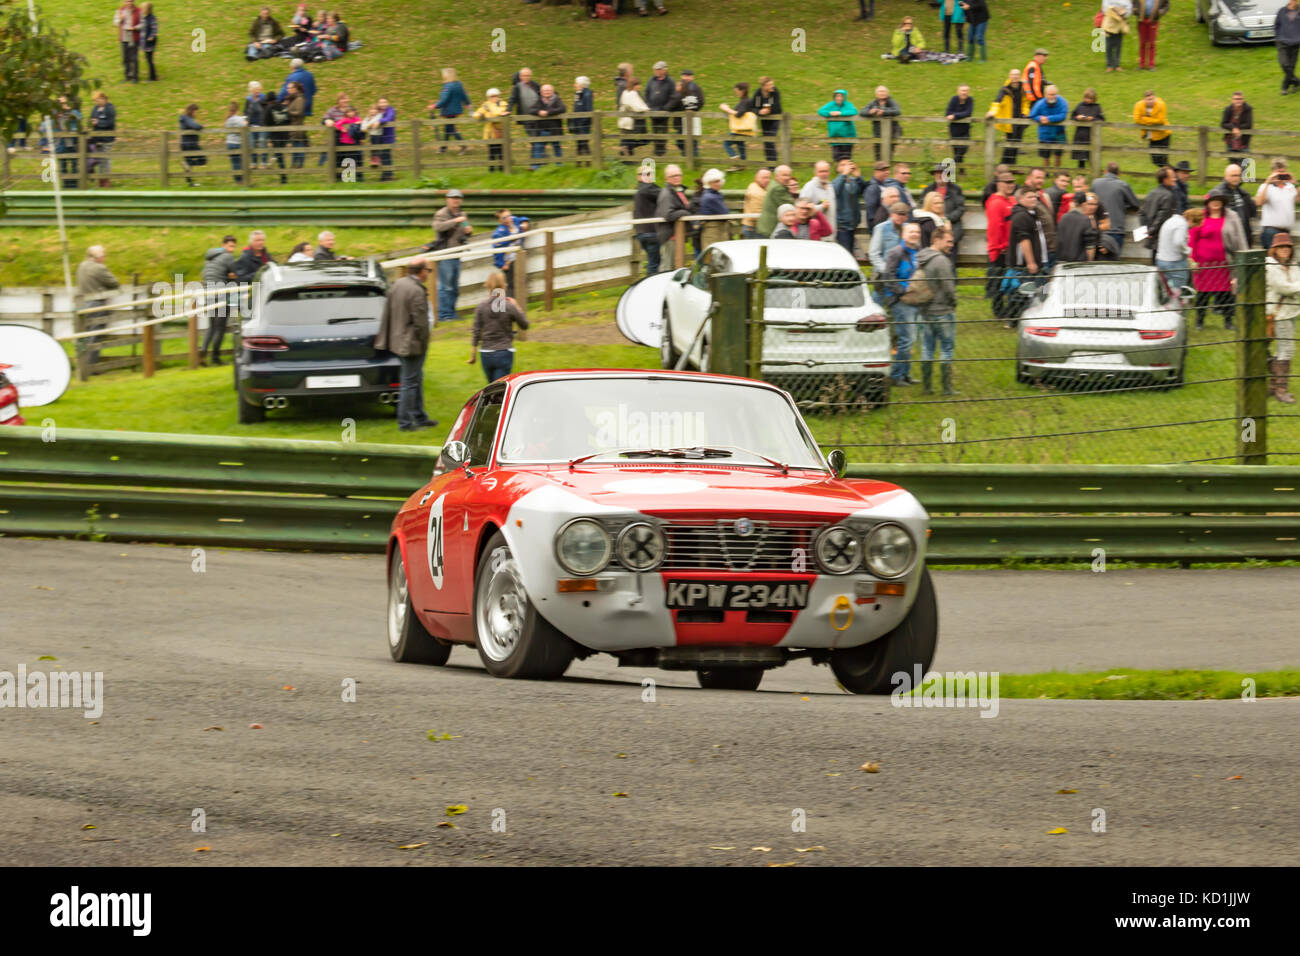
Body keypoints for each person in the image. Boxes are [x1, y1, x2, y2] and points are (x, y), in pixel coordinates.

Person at [375, 257, 436, 432]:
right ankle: (405, 423)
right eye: (428, 270)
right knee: (410, 382)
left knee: (415, 379)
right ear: (422, 271)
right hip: (411, 344)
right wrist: (423, 340)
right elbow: (421, 323)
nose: (429, 274)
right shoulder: (415, 290)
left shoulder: (398, 284)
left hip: (399, 341)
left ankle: (419, 416)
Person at [1190, 194, 1245, 330]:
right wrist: (1193, 260)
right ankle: (1199, 321)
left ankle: (1228, 322)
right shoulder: (1201, 217)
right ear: (1207, 203)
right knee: (1203, 294)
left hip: (1224, 264)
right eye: (1212, 201)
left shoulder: (1229, 217)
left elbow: (1238, 237)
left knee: (1227, 294)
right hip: (1204, 265)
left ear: (1222, 203)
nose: (1215, 203)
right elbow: (1192, 240)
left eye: (1218, 201)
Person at [916, 226, 959, 395]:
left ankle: (927, 388)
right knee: (947, 348)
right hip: (942, 311)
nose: (951, 245)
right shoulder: (941, 261)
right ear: (937, 240)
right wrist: (954, 302)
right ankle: (947, 388)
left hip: (925, 311)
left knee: (927, 348)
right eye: (948, 241)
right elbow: (949, 288)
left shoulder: (922, 257)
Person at [470, 271, 530, 383]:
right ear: (503, 286)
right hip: (504, 352)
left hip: (486, 354)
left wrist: (473, 355)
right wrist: (517, 306)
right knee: (500, 390)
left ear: (488, 286)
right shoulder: (509, 306)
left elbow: (476, 331)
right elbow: (525, 325)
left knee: (492, 388)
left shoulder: (481, 307)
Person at [884, 222, 923, 385]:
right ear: (903, 235)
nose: (914, 234)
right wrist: (902, 291)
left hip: (914, 300)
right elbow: (888, 275)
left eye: (917, 232)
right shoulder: (896, 252)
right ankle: (896, 375)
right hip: (900, 300)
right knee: (906, 338)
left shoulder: (919, 252)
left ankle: (905, 374)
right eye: (911, 232)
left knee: (910, 338)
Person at [1265, 232, 1299, 403]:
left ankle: (1273, 385)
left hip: (1291, 311)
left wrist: (1294, 287)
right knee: (1287, 350)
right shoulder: (1270, 266)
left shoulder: (1292, 265)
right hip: (1278, 314)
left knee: (1283, 349)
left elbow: (1293, 285)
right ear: (1274, 249)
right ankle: (1281, 389)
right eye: (1281, 247)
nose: (1285, 250)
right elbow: (1284, 288)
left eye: (1287, 247)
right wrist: (1295, 287)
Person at [431, 189, 473, 322]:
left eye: (458, 198)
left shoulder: (462, 214)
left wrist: (468, 232)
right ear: (447, 199)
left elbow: (463, 233)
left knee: (454, 286)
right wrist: (455, 221)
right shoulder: (441, 213)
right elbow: (438, 227)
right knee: (445, 286)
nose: (456, 200)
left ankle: (452, 313)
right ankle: (444, 315)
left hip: (457, 254)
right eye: (453, 198)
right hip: (445, 254)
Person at [76, 244, 121, 366]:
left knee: (84, 335)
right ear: (98, 257)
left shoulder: (81, 266)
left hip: (82, 304)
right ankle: (91, 365)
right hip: (97, 305)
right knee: (95, 335)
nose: (104, 258)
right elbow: (114, 283)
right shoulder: (99, 268)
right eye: (103, 255)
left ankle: (81, 363)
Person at [201, 234, 240, 363]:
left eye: (234, 247)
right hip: (221, 292)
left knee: (211, 326)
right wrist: (231, 277)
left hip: (208, 291)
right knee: (220, 327)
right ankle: (215, 358)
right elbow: (235, 275)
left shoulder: (209, 257)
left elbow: (206, 274)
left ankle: (202, 353)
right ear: (223, 245)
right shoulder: (228, 257)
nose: (232, 249)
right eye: (230, 246)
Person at [1091, 162, 1140, 253]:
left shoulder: (1095, 183)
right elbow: (1135, 205)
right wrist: (1122, 205)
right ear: (1118, 174)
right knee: (1114, 263)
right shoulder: (1123, 185)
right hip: (1116, 231)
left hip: (1098, 230)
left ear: (1105, 171)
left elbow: (1090, 200)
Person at [985, 172, 1017, 300]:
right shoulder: (996, 203)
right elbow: (995, 228)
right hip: (1001, 251)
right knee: (998, 283)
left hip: (1011, 248)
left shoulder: (1012, 200)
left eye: (1012, 182)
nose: (1011, 185)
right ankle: (998, 312)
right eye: (1007, 182)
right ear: (999, 184)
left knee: (1008, 280)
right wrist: (1000, 248)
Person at [868, 201, 910, 297]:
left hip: (902, 275)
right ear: (891, 214)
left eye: (904, 214)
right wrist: (886, 271)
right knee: (877, 302)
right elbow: (873, 254)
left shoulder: (908, 228)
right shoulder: (881, 228)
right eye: (899, 214)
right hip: (883, 275)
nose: (902, 217)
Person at [987, 70, 1028, 166]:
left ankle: (1012, 167)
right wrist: (992, 112)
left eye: (1017, 75)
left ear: (1020, 76)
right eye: (1013, 75)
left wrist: (1025, 112)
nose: (1015, 77)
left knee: (1017, 144)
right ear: (1010, 76)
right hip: (1009, 120)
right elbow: (997, 102)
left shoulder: (1023, 87)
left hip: (1020, 120)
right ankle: (1003, 166)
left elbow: (1026, 101)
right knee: (1009, 144)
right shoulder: (1005, 90)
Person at [920, 163, 965, 249]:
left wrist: (946, 218)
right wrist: (934, 218)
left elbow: (961, 208)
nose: (939, 175)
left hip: (952, 229)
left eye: (942, 173)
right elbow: (922, 205)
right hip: (931, 229)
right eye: (937, 173)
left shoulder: (956, 190)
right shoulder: (928, 189)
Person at [655, 165, 691, 269]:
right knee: (667, 268)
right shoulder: (666, 193)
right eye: (673, 176)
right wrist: (684, 212)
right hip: (670, 237)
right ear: (667, 178)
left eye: (679, 175)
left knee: (676, 267)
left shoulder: (677, 191)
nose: (677, 177)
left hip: (677, 236)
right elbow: (667, 214)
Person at [1140, 165, 1178, 263]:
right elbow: (1162, 216)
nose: (1175, 179)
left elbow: (1141, 213)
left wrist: (1146, 230)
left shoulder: (1151, 193)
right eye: (1173, 176)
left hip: (1153, 241)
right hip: (1164, 241)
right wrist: (1151, 231)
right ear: (1165, 179)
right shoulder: (1169, 196)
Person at [1257, 160, 1297, 250]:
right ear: (1272, 172)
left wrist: (1295, 183)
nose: (1281, 175)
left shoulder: (1290, 186)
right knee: (1271, 260)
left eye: (1283, 172)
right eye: (1278, 172)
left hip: (1286, 231)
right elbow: (1259, 202)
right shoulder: (1265, 187)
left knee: (1285, 260)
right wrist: (1268, 182)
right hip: (1271, 231)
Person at [832, 158, 868, 256]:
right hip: (842, 227)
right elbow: (834, 191)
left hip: (853, 225)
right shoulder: (835, 182)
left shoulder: (853, 181)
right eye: (842, 165)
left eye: (848, 164)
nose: (846, 167)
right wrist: (844, 174)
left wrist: (858, 176)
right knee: (845, 255)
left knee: (851, 254)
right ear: (837, 169)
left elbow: (864, 190)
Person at [1217, 163, 1257, 248]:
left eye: (1238, 175)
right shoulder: (1218, 194)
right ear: (1225, 176)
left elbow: (1253, 212)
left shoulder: (1243, 194)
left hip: (1244, 236)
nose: (1236, 178)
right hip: (1227, 239)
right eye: (1233, 175)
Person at [1154, 203, 1190, 296]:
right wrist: (1187, 250)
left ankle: (1166, 307)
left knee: (1165, 290)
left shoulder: (1170, 221)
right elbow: (1178, 242)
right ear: (1191, 220)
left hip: (1161, 260)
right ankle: (1177, 308)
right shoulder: (1182, 224)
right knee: (1178, 290)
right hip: (1175, 262)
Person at [433, 68, 471, 153]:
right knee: (448, 129)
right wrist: (468, 104)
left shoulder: (447, 86)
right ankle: (443, 148)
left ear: (446, 75)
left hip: (448, 111)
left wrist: (435, 106)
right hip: (456, 111)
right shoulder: (459, 84)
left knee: (451, 129)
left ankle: (463, 146)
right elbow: (464, 96)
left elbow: (444, 100)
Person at [632, 163, 662, 274]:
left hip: (640, 233)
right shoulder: (649, 188)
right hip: (651, 232)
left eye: (650, 174)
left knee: (652, 261)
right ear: (639, 176)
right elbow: (665, 195)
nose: (648, 176)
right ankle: (650, 286)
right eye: (645, 174)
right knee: (654, 264)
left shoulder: (638, 190)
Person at [491, 208, 530, 291]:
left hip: (520, 256)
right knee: (512, 284)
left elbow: (523, 218)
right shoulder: (498, 233)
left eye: (509, 216)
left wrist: (524, 223)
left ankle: (521, 302)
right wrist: (501, 264)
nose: (508, 219)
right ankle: (512, 302)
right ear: (499, 221)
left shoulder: (514, 220)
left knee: (522, 280)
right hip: (509, 262)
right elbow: (496, 251)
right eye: (504, 218)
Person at [1029, 84, 1068, 168]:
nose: (1052, 96)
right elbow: (1032, 115)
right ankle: (1046, 173)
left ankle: (1056, 173)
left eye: (1054, 94)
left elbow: (1063, 115)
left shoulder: (1062, 102)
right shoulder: (1040, 103)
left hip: (1059, 132)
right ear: (1045, 94)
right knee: (1045, 156)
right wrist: (1040, 118)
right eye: (1050, 94)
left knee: (1058, 155)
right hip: (1045, 134)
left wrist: (1049, 118)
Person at [861, 86, 902, 163]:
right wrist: (870, 112)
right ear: (876, 94)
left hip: (892, 130)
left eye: (884, 91)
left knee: (889, 149)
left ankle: (887, 167)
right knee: (877, 150)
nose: (882, 93)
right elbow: (862, 112)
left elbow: (897, 111)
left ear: (887, 93)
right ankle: (878, 168)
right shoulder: (873, 102)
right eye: (880, 91)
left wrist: (884, 112)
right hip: (877, 131)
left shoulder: (892, 101)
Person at [529, 83, 565, 168]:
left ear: (552, 91)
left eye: (549, 90)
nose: (547, 92)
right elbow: (531, 110)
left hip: (555, 130)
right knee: (538, 148)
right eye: (545, 90)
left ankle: (559, 166)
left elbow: (562, 108)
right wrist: (539, 112)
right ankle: (535, 167)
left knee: (557, 148)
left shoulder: (557, 99)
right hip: (542, 129)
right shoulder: (539, 100)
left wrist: (548, 112)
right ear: (541, 92)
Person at [1057, 193, 1101, 263]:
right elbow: (1090, 246)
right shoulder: (1086, 220)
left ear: (1074, 203)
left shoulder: (1063, 218)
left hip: (1062, 262)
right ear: (1084, 204)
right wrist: (1090, 262)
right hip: (1079, 264)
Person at [757, 165, 799, 237]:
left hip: (765, 227)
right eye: (784, 175)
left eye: (789, 175)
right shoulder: (778, 189)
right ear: (776, 176)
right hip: (770, 228)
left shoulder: (774, 183)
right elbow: (791, 207)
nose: (787, 178)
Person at [720, 82, 756, 165]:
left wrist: (726, 109)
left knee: (726, 143)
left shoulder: (745, 101)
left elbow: (739, 114)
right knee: (740, 144)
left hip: (740, 129)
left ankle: (736, 159)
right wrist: (727, 109)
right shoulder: (745, 101)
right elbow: (736, 112)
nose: (736, 93)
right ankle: (743, 164)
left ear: (742, 90)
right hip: (743, 129)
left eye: (737, 91)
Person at [818, 90, 858, 163]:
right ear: (834, 97)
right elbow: (820, 111)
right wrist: (829, 113)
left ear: (844, 97)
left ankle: (847, 173)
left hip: (847, 137)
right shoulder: (831, 105)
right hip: (834, 137)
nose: (839, 98)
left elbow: (854, 111)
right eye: (837, 96)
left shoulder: (848, 105)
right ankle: (837, 173)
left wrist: (841, 113)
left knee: (847, 158)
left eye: (841, 96)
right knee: (836, 157)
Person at [644, 61, 674, 158]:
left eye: (658, 69)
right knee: (655, 130)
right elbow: (646, 93)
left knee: (664, 131)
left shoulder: (670, 81)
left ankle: (663, 149)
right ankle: (656, 150)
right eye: (655, 69)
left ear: (664, 70)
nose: (656, 71)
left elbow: (672, 96)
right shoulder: (651, 80)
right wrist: (648, 105)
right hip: (653, 111)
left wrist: (666, 108)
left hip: (664, 112)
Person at [474, 88, 508, 173]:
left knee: (501, 151)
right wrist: (480, 114)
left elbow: (499, 112)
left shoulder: (503, 104)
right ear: (488, 97)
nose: (493, 98)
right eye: (491, 96)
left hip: (500, 132)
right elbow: (477, 114)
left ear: (498, 96)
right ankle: (491, 170)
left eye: (495, 96)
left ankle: (502, 169)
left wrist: (488, 112)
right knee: (492, 152)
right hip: (490, 132)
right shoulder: (485, 104)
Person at [87, 91, 116, 188]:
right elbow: (91, 119)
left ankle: (106, 180)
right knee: (99, 160)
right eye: (95, 101)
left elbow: (110, 122)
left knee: (106, 159)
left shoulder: (110, 108)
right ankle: (100, 181)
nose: (97, 102)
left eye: (98, 100)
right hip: (97, 139)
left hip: (107, 139)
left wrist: (98, 122)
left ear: (103, 99)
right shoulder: (95, 108)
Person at [1133, 89, 1170, 167]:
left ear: (1155, 98)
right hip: (1152, 137)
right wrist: (1152, 121)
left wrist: (1144, 119)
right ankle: (1173, 174)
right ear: (1144, 100)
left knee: (1162, 160)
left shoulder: (1161, 105)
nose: (1151, 101)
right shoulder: (1139, 105)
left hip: (1163, 135)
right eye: (1148, 99)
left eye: (1152, 99)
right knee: (1155, 160)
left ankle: (1172, 175)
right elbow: (1136, 119)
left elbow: (1160, 121)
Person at [508, 67, 541, 150]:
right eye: (524, 75)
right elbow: (512, 99)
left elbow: (542, 97)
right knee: (532, 137)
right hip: (525, 117)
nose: (526, 77)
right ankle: (537, 156)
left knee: (538, 137)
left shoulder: (535, 85)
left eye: (528, 75)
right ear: (520, 76)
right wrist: (508, 110)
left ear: (531, 76)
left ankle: (538, 156)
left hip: (538, 116)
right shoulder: (517, 87)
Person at [673, 69, 704, 159]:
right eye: (684, 75)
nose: (685, 77)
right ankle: (686, 155)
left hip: (692, 119)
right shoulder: (678, 88)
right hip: (679, 120)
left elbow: (701, 102)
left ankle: (694, 161)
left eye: (687, 75)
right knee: (679, 141)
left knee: (693, 142)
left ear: (692, 77)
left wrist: (692, 110)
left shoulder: (696, 88)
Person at [1070, 88, 1104, 169]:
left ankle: (1094, 175)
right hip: (1080, 135)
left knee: (1092, 158)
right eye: (1086, 98)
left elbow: (1102, 120)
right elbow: (1072, 117)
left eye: (1090, 98)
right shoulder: (1079, 106)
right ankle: (1081, 176)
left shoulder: (1097, 107)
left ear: (1094, 99)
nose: (1088, 100)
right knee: (1081, 158)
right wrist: (1077, 118)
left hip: (1092, 136)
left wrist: (1092, 119)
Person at [698, 170, 732, 249]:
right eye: (716, 181)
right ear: (709, 183)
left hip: (716, 232)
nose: (719, 183)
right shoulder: (710, 197)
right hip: (713, 233)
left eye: (719, 181)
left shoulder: (714, 194)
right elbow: (725, 213)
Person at [617, 76, 649, 156]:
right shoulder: (633, 93)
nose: (640, 86)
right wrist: (647, 109)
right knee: (641, 140)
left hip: (624, 121)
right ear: (634, 85)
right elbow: (637, 107)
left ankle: (625, 155)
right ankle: (627, 157)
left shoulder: (625, 92)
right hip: (631, 122)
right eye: (638, 85)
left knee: (627, 140)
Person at [1220, 92, 1254, 168]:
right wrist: (1233, 128)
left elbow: (1249, 124)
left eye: (1240, 99)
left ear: (1243, 100)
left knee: (1244, 166)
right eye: (1236, 99)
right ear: (1232, 100)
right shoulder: (1228, 109)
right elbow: (1223, 123)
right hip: (1230, 142)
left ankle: (1243, 179)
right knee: (1232, 166)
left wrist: (1237, 129)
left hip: (1244, 142)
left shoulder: (1248, 109)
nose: (1238, 101)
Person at [754, 77, 781, 165]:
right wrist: (759, 111)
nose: (772, 86)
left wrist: (769, 110)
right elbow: (753, 107)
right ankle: (768, 162)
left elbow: (777, 107)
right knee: (766, 141)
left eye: (772, 84)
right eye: (770, 85)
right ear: (763, 86)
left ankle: (773, 163)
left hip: (775, 118)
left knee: (770, 139)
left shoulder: (775, 92)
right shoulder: (758, 94)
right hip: (764, 120)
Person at [799, 160, 836, 226]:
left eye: (826, 171)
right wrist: (821, 207)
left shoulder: (830, 186)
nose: (824, 174)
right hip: (817, 232)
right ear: (815, 173)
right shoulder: (809, 187)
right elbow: (802, 209)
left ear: (829, 172)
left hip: (831, 230)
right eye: (821, 171)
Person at [945, 84, 974, 167]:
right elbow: (947, 113)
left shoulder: (970, 100)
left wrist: (955, 116)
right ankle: (961, 170)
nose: (964, 92)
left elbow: (968, 112)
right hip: (954, 129)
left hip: (965, 130)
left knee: (963, 149)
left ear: (968, 92)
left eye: (966, 91)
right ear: (958, 92)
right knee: (956, 151)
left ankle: (948, 167)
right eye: (962, 90)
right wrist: (956, 115)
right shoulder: (954, 99)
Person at [113, 1, 142, 83]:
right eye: (127, 1)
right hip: (124, 38)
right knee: (125, 58)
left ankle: (135, 77)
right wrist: (120, 19)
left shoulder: (138, 11)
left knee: (134, 58)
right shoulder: (120, 10)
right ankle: (127, 76)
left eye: (130, 1)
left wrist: (135, 28)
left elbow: (143, 24)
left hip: (134, 37)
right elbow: (115, 22)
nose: (129, 3)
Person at [1136, 0, 1168, 71]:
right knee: (1142, 43)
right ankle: (1141, 64)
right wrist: (1136, 11)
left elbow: (1166, 5)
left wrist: (1160, 12)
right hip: (1142, 20)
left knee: (1152, 44)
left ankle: (1151, 65)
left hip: (1153, 21)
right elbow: (1133, 4)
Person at [1101, 1, 1131, 73]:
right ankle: (1109, 65)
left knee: (1118, 45)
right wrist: (1114, 12)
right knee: (1109, 45)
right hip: (1110, 22)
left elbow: (1129, 7)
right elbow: (1105, 8)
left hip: (1120, 22)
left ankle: (1117, 65)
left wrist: (1123, 14)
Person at [862, 160, 893, 230]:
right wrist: (875, 229)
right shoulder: (872, 188)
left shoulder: (884, 185)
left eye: (888, 170)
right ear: (876, 172)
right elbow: (871, 214)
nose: (887, 172)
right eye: (883, 170)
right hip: (878, 228)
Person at [284, 82, 307, 173]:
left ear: (295, 89)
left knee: (299, 145)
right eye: (287, 88)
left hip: (298, 126)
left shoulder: (300, 99)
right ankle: (294, 164)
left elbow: (299, 112)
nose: (288, 90)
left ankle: (300, 165)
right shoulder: (293, 99)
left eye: (290, 88)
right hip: (293, 126)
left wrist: (288, 111)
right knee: (294, 145)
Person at [178, 103, 204, 186]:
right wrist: (201, 126)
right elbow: (195, 126)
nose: (196, 113)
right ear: (192, 111)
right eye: (196, 111)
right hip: (189, 145)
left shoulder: (187, 118)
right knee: (203, 159)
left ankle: (190, 182)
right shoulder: (186, 118)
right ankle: (190, 181)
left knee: (189, 165)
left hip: (188, 144)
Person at [1278, 0, 1300, 95]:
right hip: (1283, 43)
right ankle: (1297, 82)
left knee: (1291, 66)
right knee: (1284, 63)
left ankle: (1285, 88)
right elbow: (1277, 25)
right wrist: (1277, 37)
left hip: (1295, 43)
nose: (1295, 2)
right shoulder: (1282, 11)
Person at [742, 167, 770, 240]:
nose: (767, 180)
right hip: (754, 229)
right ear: (757, 178)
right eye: (764, 178)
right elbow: (756, 214)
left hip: (751, 227)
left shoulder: (753, 185)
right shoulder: (757, 193)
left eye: (768, 178)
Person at [224, 100, 248, 185]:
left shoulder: (227, 119)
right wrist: (245, 121)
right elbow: (244, 125)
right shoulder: (238, 118)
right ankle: (240, 180)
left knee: (234, 162)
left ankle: (237, 180)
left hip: (229, 142)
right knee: (239, 162)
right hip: (237, 142)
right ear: (237, 109)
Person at [571, 76, 594, 163]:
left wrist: (582, 122)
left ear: (582, 84)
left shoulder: (587, 95)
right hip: (578, 122)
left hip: (583, 123)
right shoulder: (578, 93)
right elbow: (577, 107)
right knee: (580, 142)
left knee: (583, 142)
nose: (574, 85)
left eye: (576, 83)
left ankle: (586, 161)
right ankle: (580, 161)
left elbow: (589, 110)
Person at [140, 2, 158, 81]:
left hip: (150, 42)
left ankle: (153, 77)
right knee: (148, 59)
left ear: (148, 10)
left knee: (149, 60)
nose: (142, 10)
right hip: (145, 42)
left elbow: (154, 29)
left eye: (143, 8)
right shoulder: (144, 18)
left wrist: (151, 36)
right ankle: (153, 75)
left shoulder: (152, 18)